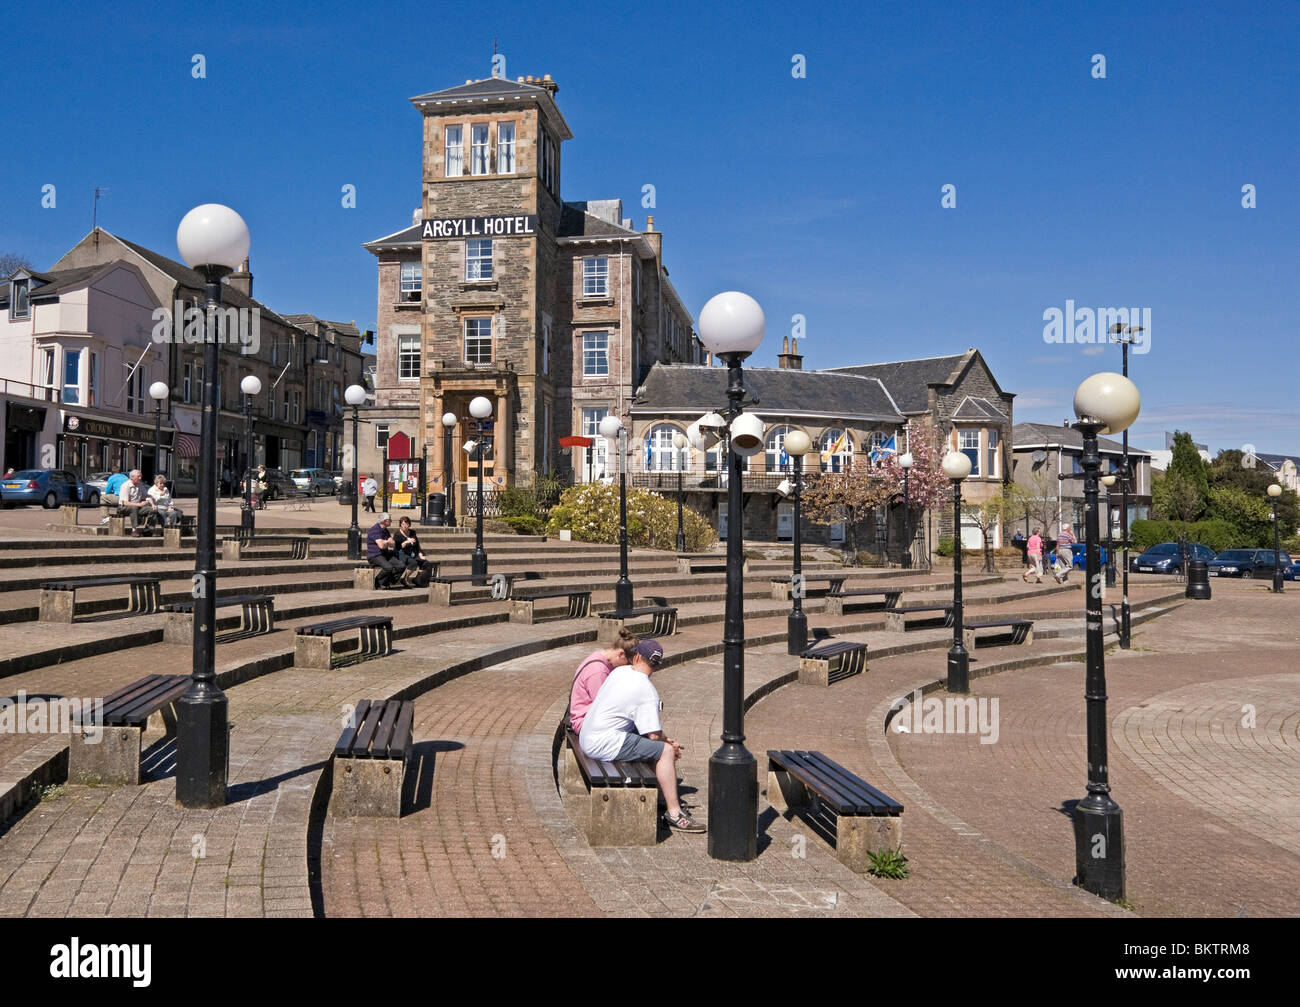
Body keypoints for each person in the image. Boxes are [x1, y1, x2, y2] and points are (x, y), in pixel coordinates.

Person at [578, 639, 704, 833]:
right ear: (657, 665)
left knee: (660, 748)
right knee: (666, 752)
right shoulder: (647, 691)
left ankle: (662, 801)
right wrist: (668, 743)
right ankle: (674, 813)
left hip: (588, 735)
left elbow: (649, 733)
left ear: (636, 656)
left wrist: (663, 739)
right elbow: (653, 736)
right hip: (604, 742)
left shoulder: (620, 672)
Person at [566, 627, 638, 736]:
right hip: (584, 722)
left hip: (591, 718)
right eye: (628, 663)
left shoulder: (600, 657)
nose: (628, 667)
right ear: (621, 654)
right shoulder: (598, 671)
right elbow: (604, 706)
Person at [366, 512, 407, 588]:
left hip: (385, 554)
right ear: (385, 521)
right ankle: (377, 582)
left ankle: (386, 582)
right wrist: (387, 542)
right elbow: (381, 546)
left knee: (401, 566)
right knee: (388, 567)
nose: (391, 521)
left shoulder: (385, 530)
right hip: (374, 555)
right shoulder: (375, 530)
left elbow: (393, 544)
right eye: (390, 520)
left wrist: (386, 542)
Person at [393, 516, 435, 587]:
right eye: (403, 524)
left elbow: (417, 544)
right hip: (403, 554)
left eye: (406, 524)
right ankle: (405, 579)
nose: (405, 526)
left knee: (425, 563)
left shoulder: (412, 532)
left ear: (409, 524)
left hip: (413, 554)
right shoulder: (397, 534)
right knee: (413, 563)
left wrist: (420, 553)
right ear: (400, 525)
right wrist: (406, 542)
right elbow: (397, 547)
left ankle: (418, 579)